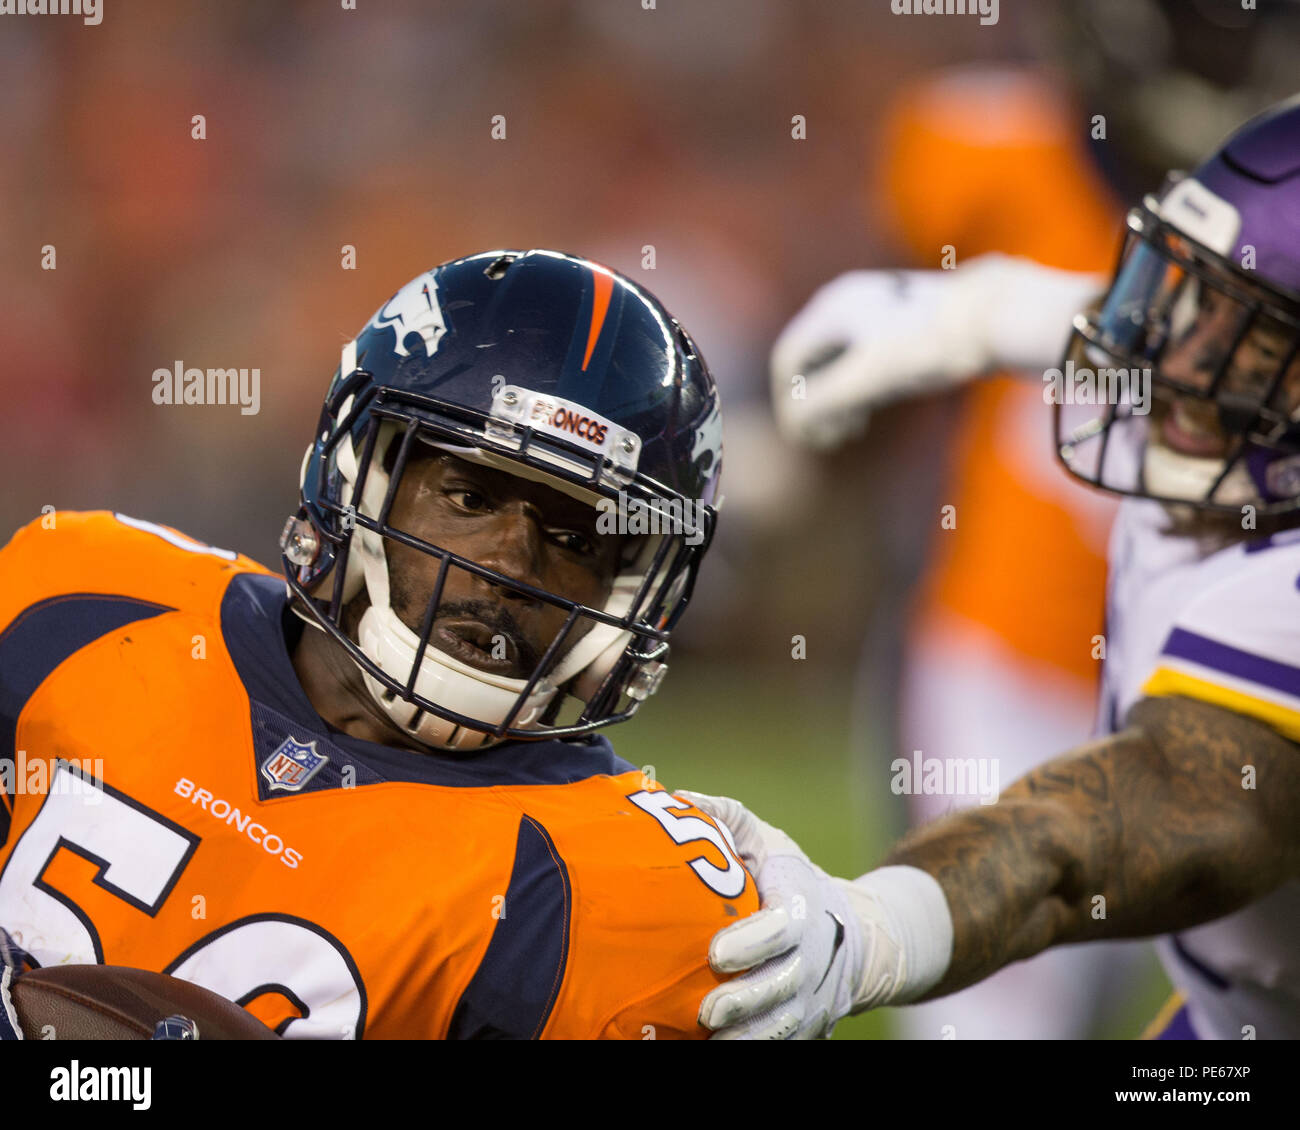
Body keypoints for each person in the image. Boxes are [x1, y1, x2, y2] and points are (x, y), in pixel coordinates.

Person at [0, 249, 754, 1040]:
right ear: (361, 477)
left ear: (628, 594)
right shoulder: (87, 600)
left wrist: (888, 928)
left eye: (573, 538)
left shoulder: (613, 883)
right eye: (469, 495)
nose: (509, 564)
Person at [689, 96, 1300, 1041]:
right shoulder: (1219, 404)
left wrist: (885, 925)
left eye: (1255, 347)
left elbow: (1113, 831)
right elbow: (1188, 333)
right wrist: (978, 313)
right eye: (1191, 304)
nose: (1179, 368)